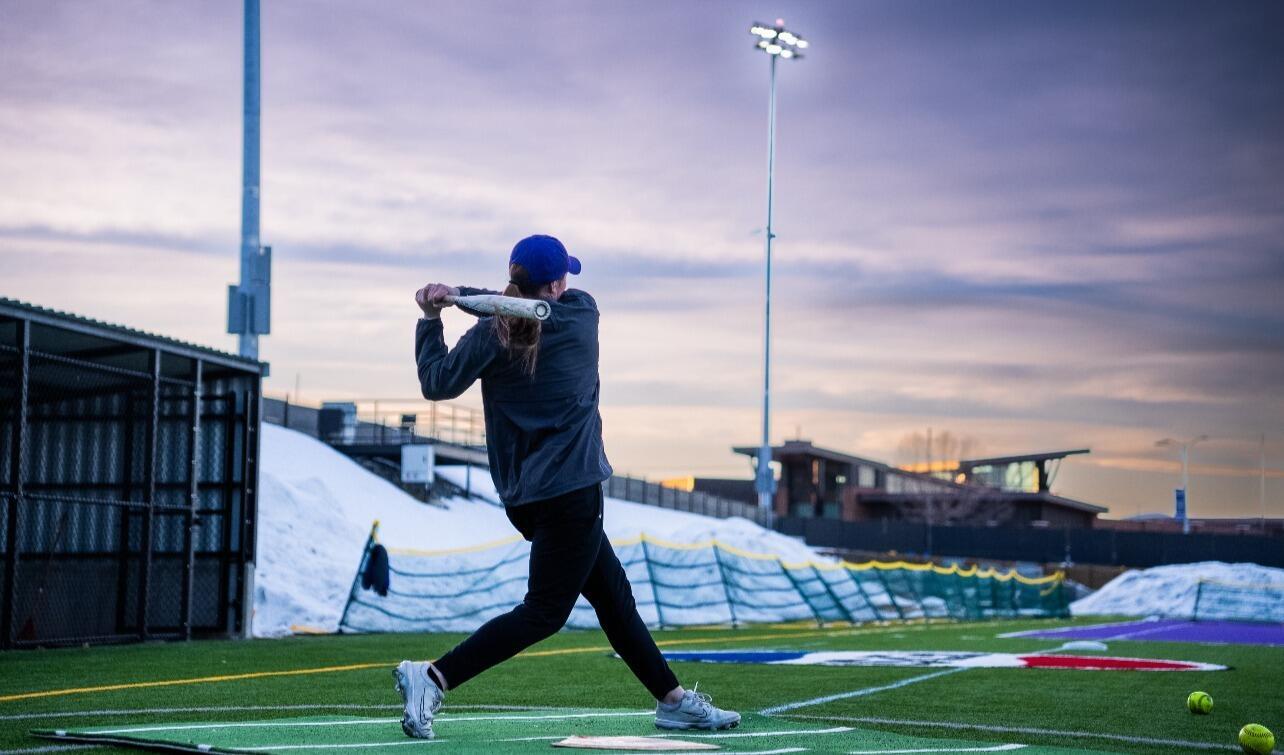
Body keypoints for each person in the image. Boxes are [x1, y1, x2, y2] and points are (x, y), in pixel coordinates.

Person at [394, 234, 740, 739]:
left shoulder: (492, 334)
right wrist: (462, 295)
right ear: (556, 286)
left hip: (525, 499)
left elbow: (436, 382)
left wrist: (433, 315)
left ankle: (672, 700)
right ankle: (433, 677)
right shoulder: (581, 316)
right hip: (572, 495)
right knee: (544, 613)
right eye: (563, 278)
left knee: (613, 597)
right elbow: (515, 307)